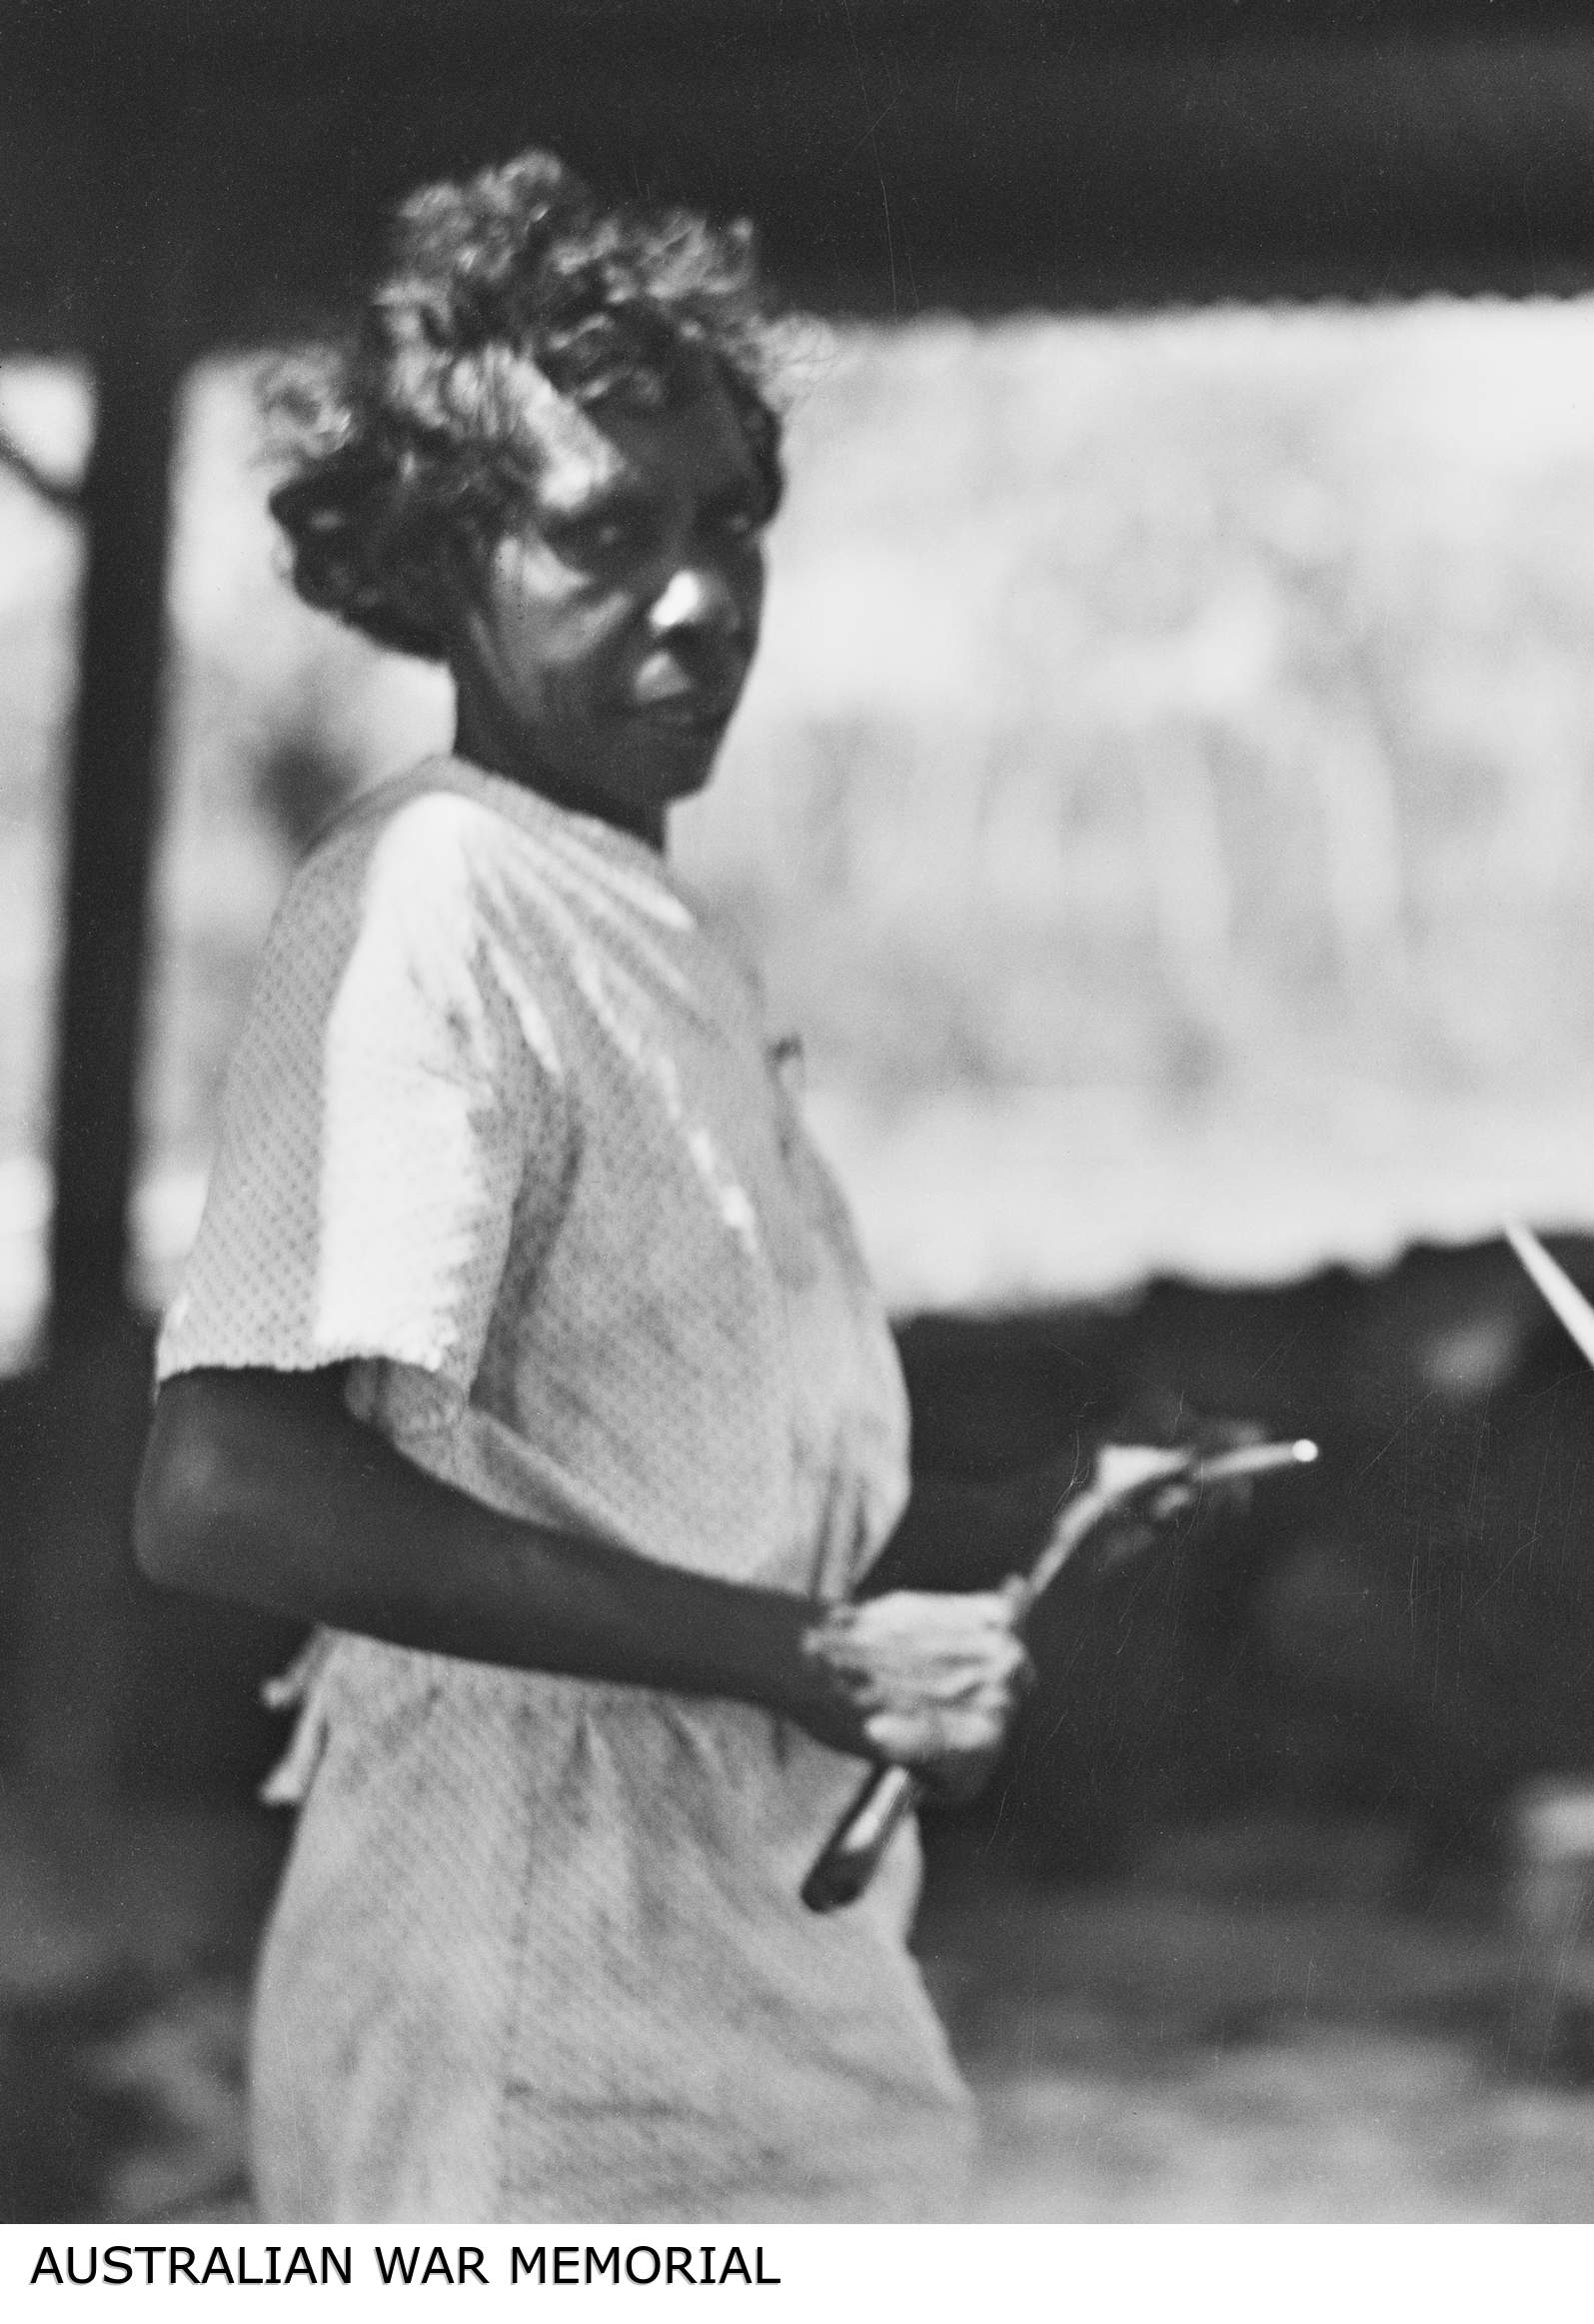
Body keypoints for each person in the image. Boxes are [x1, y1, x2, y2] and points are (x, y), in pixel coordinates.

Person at [132, 153, 1204, 2222]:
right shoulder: (437, 896)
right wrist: (800, 1658)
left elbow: (661, 1480)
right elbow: (224, 1483)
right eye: (607, 534)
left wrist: (1022, 1530)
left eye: (730, 522)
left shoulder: (643, 929)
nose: (703, 593)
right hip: (527, 2039)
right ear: (450, 565)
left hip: (732, 1984)